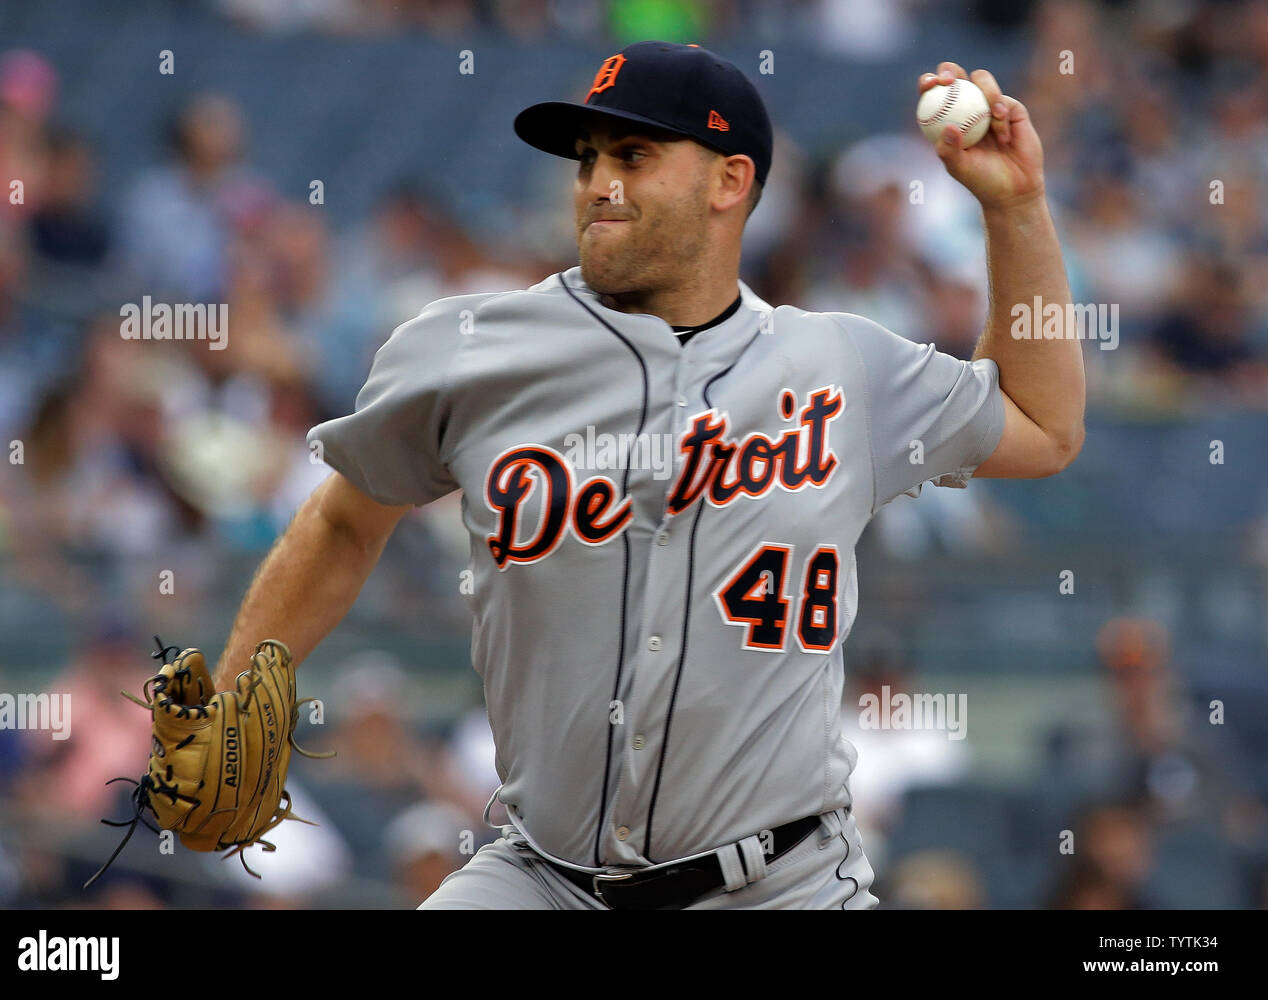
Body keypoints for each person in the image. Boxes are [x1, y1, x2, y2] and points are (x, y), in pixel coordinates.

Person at [209, 42, 1085, 909]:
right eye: (587, 159)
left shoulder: (839, 365)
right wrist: (230, 691)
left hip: (783, 885)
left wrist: (1016, 209)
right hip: (543, 879)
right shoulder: (467, 349)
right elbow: (342, 522)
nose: (598, 183)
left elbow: (1043, 428)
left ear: (729, 181)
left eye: (634, 155)